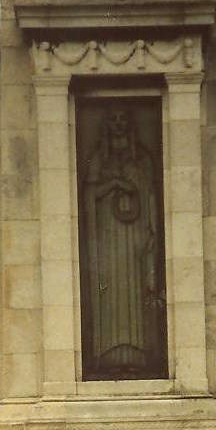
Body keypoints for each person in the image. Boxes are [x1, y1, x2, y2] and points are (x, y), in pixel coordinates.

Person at [81, 105, 164, 376]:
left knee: (136, 290)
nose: (118, 123)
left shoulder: (143, 160)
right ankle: (106, 355)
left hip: (136, 236)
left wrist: (151, 229)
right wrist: (116, 182)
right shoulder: (98, 159)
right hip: (107, 241)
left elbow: (151, 193)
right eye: (113, 118)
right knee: (111, 293)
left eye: (122, 118)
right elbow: (90, 194)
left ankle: (140, 354)